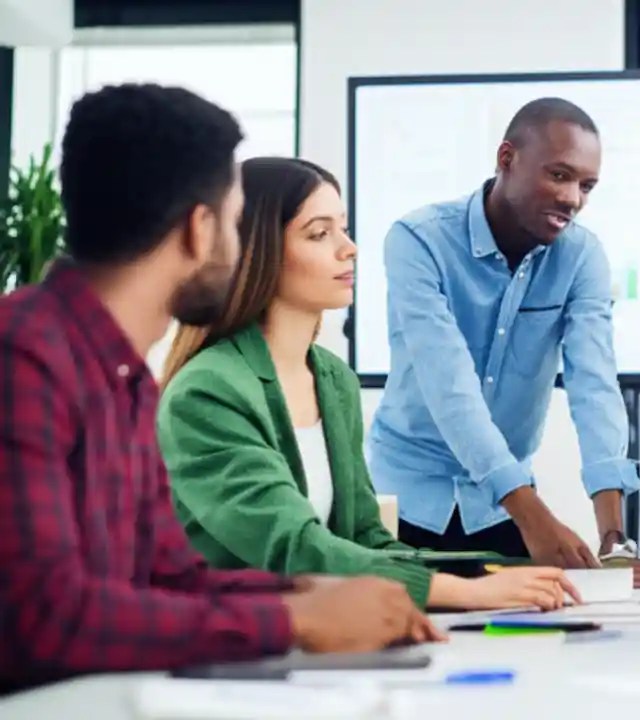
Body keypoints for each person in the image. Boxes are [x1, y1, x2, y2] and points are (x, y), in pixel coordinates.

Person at [0, 85, 432, 694]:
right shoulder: (24, 355)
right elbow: (43, 615)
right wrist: (291, 619)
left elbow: (167, 575)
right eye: (234, 223)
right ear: (200, 230)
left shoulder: (123, 379)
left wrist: (319, 592)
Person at [157, 157, 581, 613]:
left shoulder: (331, 378)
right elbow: (295, 547)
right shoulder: (206, 393)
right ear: (258, 252)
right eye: (320, 234)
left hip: (314, 641)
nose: (349, 248)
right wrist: (465, 592)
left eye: (344, 228)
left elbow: (363, 535)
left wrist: (501, 568)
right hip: (228, 652)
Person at [367, 96, 640, 589]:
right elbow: (448, 383)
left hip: (502, 509)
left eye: (587, 185)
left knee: (531, 640)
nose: (573, 198)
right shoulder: (419, 241)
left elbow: (594, 385)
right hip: (405, 502)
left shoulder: (582, 257)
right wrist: (533, 514)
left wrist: (614, 540)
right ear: (506, 159)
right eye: (559, 175)